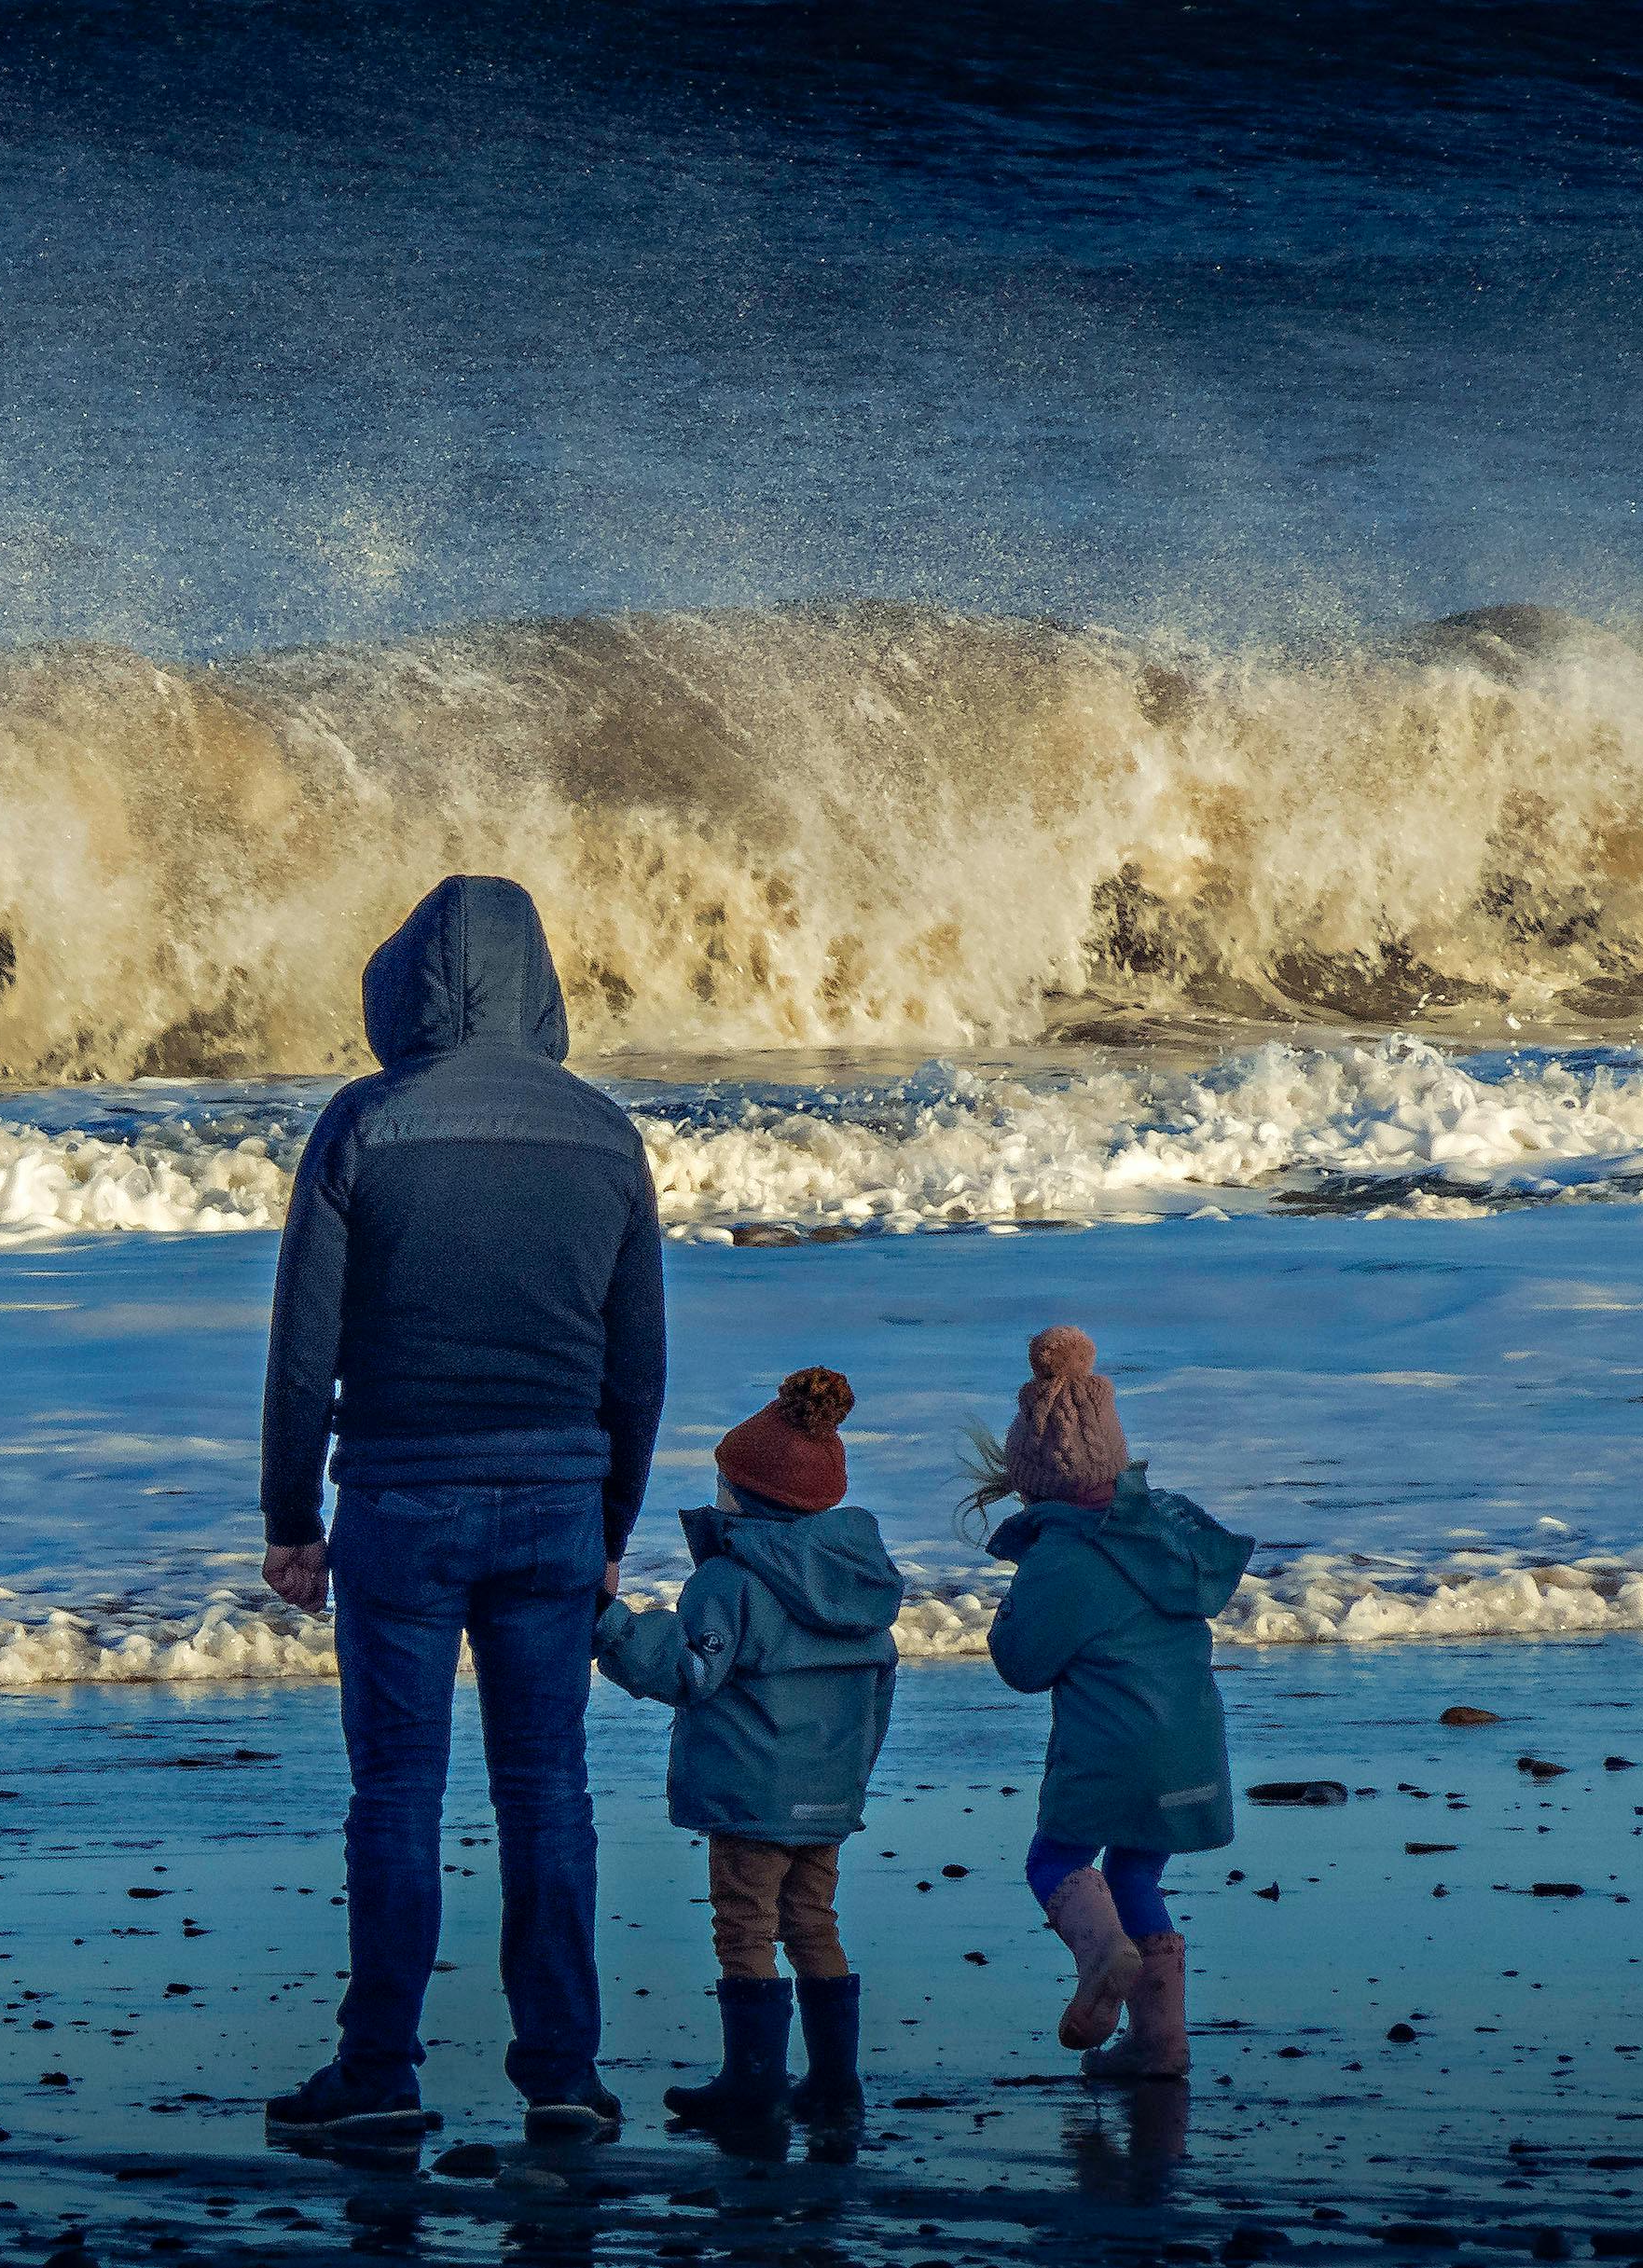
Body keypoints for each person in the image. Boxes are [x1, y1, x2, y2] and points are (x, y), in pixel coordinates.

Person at [257, 875, 667, 2141]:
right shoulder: (606, 1136)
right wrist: (613, 1528)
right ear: (538, 983)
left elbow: (301, 1345)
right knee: (549, 1790)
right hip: (556, 1508)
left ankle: (379, 2070)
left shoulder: (364, 1123)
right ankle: (563, 2075)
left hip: (399, 1502)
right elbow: (635, 1363)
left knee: (396, 1794)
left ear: (406, 985)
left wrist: (289, 1515)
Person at [593, 1366, 898, 2128]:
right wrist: (850, 1778)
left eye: (725, 1482)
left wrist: (614, 1627)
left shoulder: (731, 1579)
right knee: (814, 1920)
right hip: (829, 1796)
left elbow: (692, 1670)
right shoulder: (860, 1583)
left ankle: (754, 2078)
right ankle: (835, 2081)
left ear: (748, 1496)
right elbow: (879, 1695)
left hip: (752, 1794)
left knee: (745, 1923)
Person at [969, 1326, 1254, 2082]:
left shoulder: (1061, 1557)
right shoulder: (1164, 1530)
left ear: (1031, 1479)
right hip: (1190, 1743)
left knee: (1056, 1858)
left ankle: (1101, 1953)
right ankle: (1160, 2044)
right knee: (1136, 1876)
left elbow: (1023, 1666)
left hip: (1108, 1753)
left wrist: (1007, 1612)